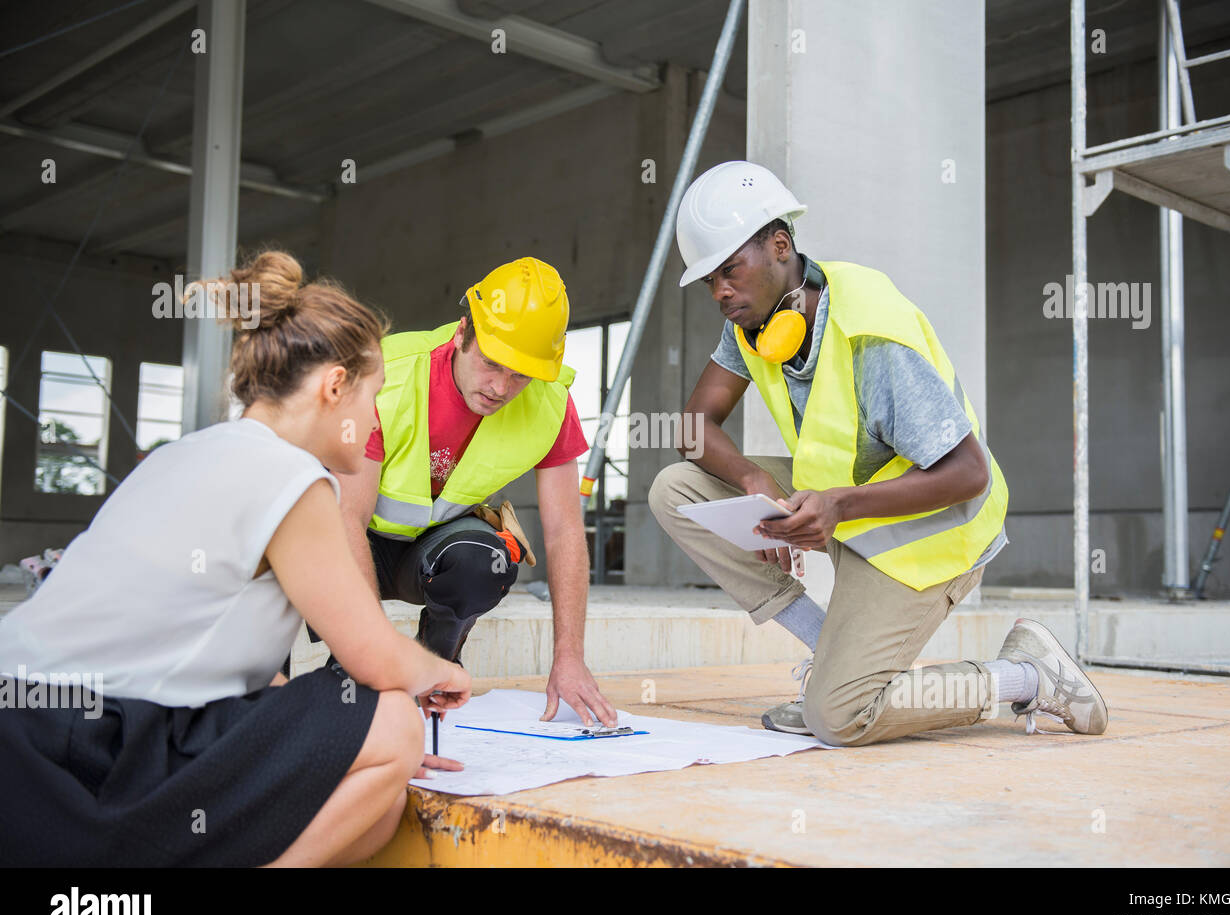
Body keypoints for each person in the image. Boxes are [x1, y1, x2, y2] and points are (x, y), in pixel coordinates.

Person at [0, 250, 471, 866]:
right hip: (94, 752)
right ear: (335, 386)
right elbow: (373, 658)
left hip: (27, 744)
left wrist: (333, 743)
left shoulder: (187, 454)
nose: (374, 415)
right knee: (393, 726)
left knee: (376, 814)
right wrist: (445, 674)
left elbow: (211, 651)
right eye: (373, 395)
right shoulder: (293, 478)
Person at [649, 160, 1108, 745]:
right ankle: (834, 659)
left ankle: (1023, 677)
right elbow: (693, 426)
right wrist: (748, 479)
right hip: (847, 507)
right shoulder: (753, 323)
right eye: (710, 280)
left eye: (730, 270)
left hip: (933, 531)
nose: (720, 292)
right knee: (675, 488)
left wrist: (839, 506)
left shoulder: (870, 336)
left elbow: (969, 473)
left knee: (837, 719)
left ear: (781, 246)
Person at [326, 256, 618, 728]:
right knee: (351, 679)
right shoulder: (388, 376)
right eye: (492, 363)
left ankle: (436, 669)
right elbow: (346, 523)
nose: (501, 388)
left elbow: (565, 531)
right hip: (353, 544)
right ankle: (344, 679)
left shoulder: (549, 404)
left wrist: (569, 657)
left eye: (521, 374)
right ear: (463, 333)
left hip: (428, 550)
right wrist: (372, 655)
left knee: (484, 557)